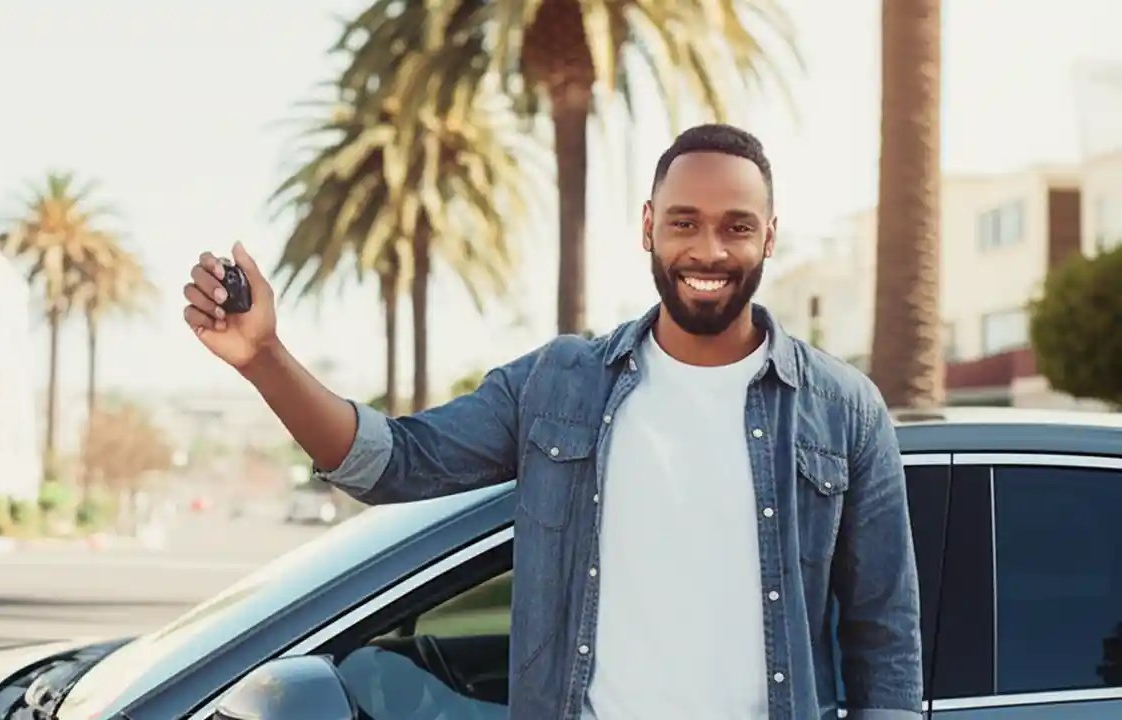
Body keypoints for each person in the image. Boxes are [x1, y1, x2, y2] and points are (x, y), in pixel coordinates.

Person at [182, 123, 923, 720]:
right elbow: (394, 462)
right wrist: (264, 359)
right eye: (684, 222)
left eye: (736, 226)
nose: (708, 250)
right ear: (647, 227)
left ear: (769, 236)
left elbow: (884, 643)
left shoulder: (843, 410)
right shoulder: (559, 386)